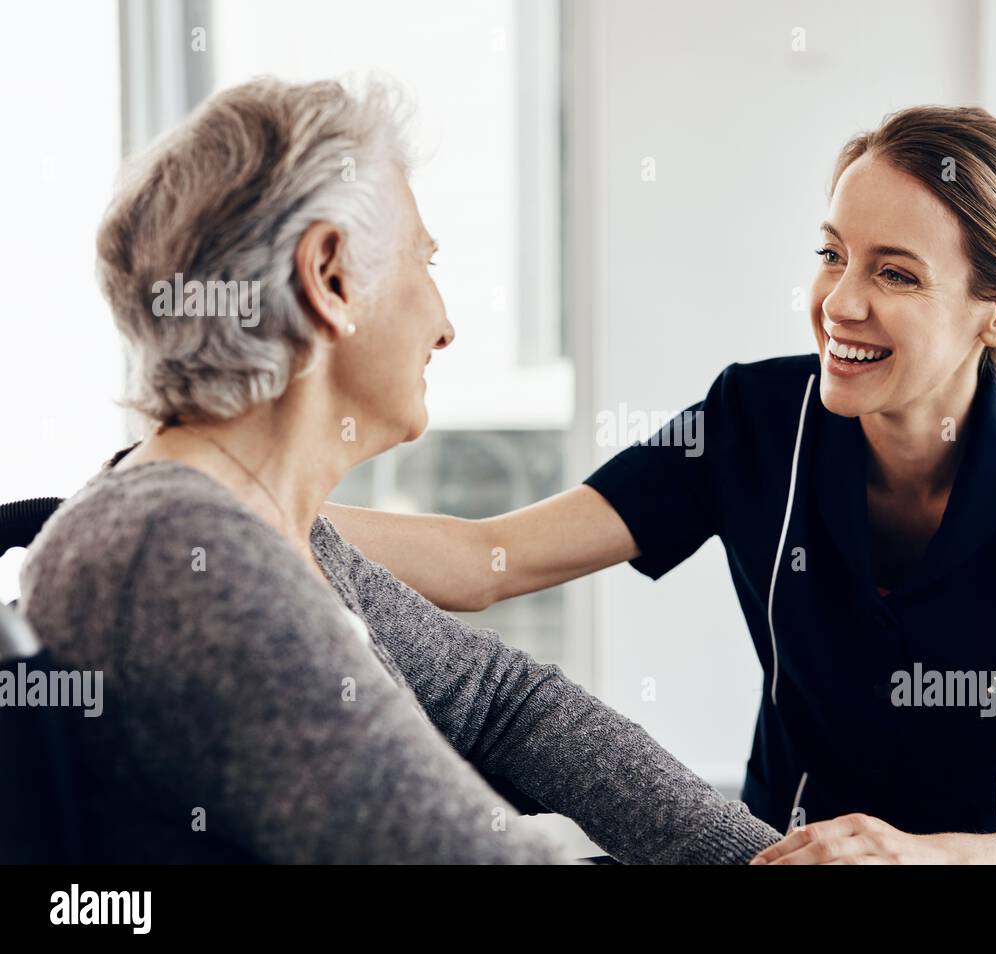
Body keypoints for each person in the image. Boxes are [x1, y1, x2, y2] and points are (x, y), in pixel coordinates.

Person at [324, 106, 996, 864]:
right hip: (777, 849)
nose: (839, 302)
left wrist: (919, 858)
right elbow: (489, 561)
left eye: (895, 274)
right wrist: (251, 498)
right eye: (832, 254)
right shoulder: (754, 419)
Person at [18, 76, 782, 864]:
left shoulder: (272, 528)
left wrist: (753, 859)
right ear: (331, 277)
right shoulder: (186, 557)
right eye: (426, 259)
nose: (445, 326)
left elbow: (501, 705)